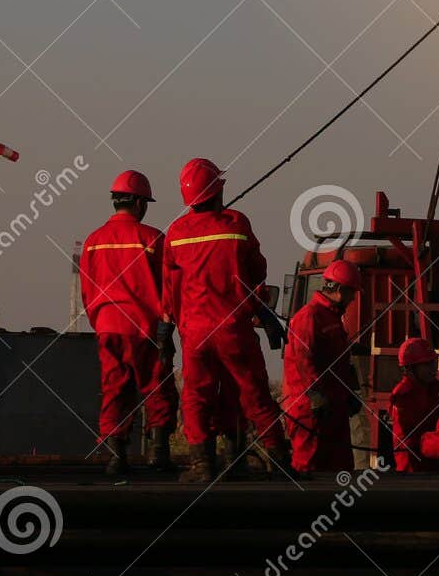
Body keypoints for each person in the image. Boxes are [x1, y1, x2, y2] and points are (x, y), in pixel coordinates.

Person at [164, 158, 289, 483]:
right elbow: (257, 271)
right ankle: (279, 462)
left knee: (195, 397)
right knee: (255, 394)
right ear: (218, 191)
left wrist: (169, 329)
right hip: (232, 328)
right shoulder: (236, 224)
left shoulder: (175, 234)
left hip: (194, 334)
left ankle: (202, 466)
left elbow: (170, 288)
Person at [79, 170, 174, 476]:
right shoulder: (153, 239)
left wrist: (101, 319)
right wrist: (166, 326)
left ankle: (116, 455)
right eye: (145, 202)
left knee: (114, 389)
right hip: (144, 327)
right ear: (138, 202)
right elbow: (169, 288)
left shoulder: (93, 242)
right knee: (157, 386)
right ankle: (159, 453)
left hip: (107, 326)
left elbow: (87, 290)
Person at [283, 260, 364, 474]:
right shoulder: (309, 316)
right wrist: (315, 394)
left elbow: (335, 362)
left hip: (332, 407)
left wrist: (348, 393)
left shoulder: (332, 318)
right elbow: (304, 358)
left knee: (340, 470)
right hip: (310, 409)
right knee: (307, 469)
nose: (353, 298)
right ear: (338, 290)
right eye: (351, 292)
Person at [390, 337, 439, 473]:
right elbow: (416, 431)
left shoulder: (428, 388)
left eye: (433, 362)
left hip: (428, 462)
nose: (434, 368)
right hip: (412, 467)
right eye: (427, 364)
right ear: (409, 368)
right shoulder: (404, 395)